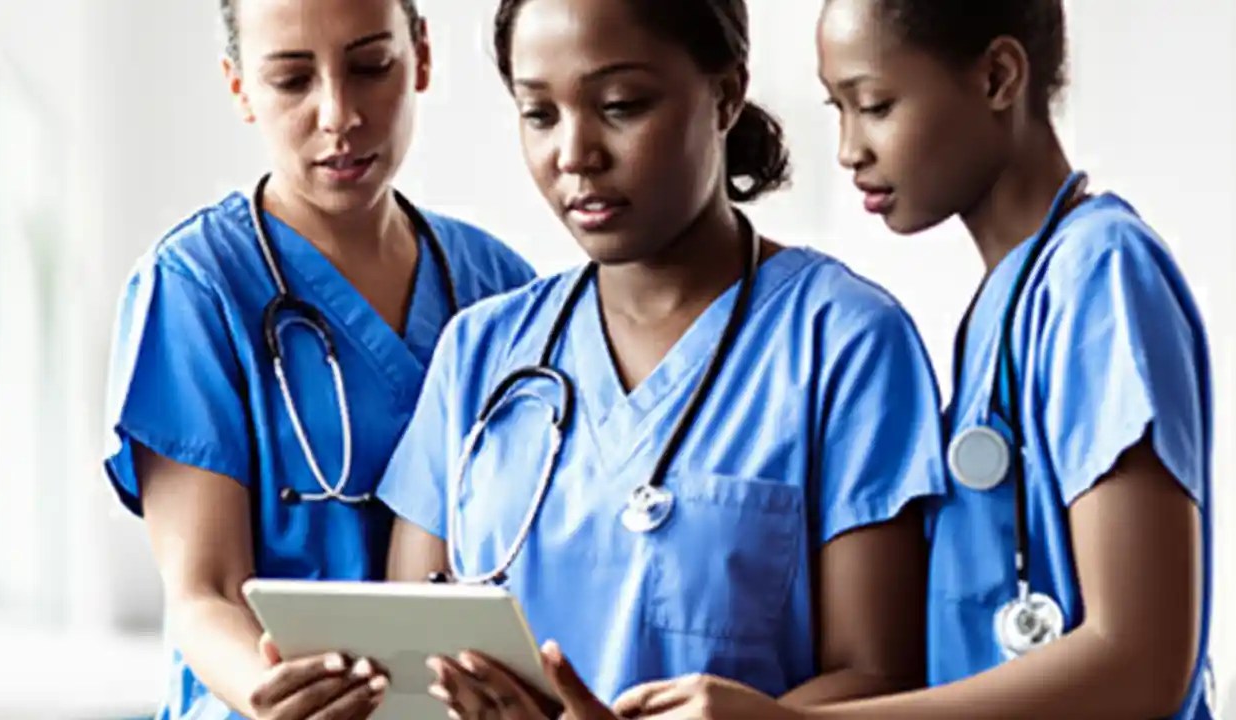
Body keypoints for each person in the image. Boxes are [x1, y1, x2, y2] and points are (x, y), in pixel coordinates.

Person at [635, 0, 1215, 717]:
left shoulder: (1101, 274)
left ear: (999, 77)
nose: (849, 148)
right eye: (837, 108)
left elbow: (1139, 662)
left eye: (875, 104)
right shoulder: (1004, 309)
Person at [373, 0, 948, 718]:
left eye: (620, 105)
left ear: (727, 95)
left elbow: (882, 675)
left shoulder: (846, 344)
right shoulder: (479, 355)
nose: (574, 154)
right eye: (539, 114)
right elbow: (409, 668)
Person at [100, 0, 536, 717]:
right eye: (292, 80)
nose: (339, 114)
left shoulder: (501, 289)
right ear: (239, 87)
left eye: (370, 67)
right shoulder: (197, 287)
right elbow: (202, 595)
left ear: (421, 58)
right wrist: (273, 698)